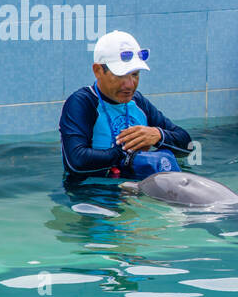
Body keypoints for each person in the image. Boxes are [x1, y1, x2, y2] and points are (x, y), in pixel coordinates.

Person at [59, 30, 194, 185]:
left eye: (135, 75)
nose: (129, 85)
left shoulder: (138, 101)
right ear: (98, 71)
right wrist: (127, 156)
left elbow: (188, 145)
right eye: (120, 75)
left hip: (137, 191)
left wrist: (158, 135)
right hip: (93, 196)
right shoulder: (82, 102)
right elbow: (77, 161)